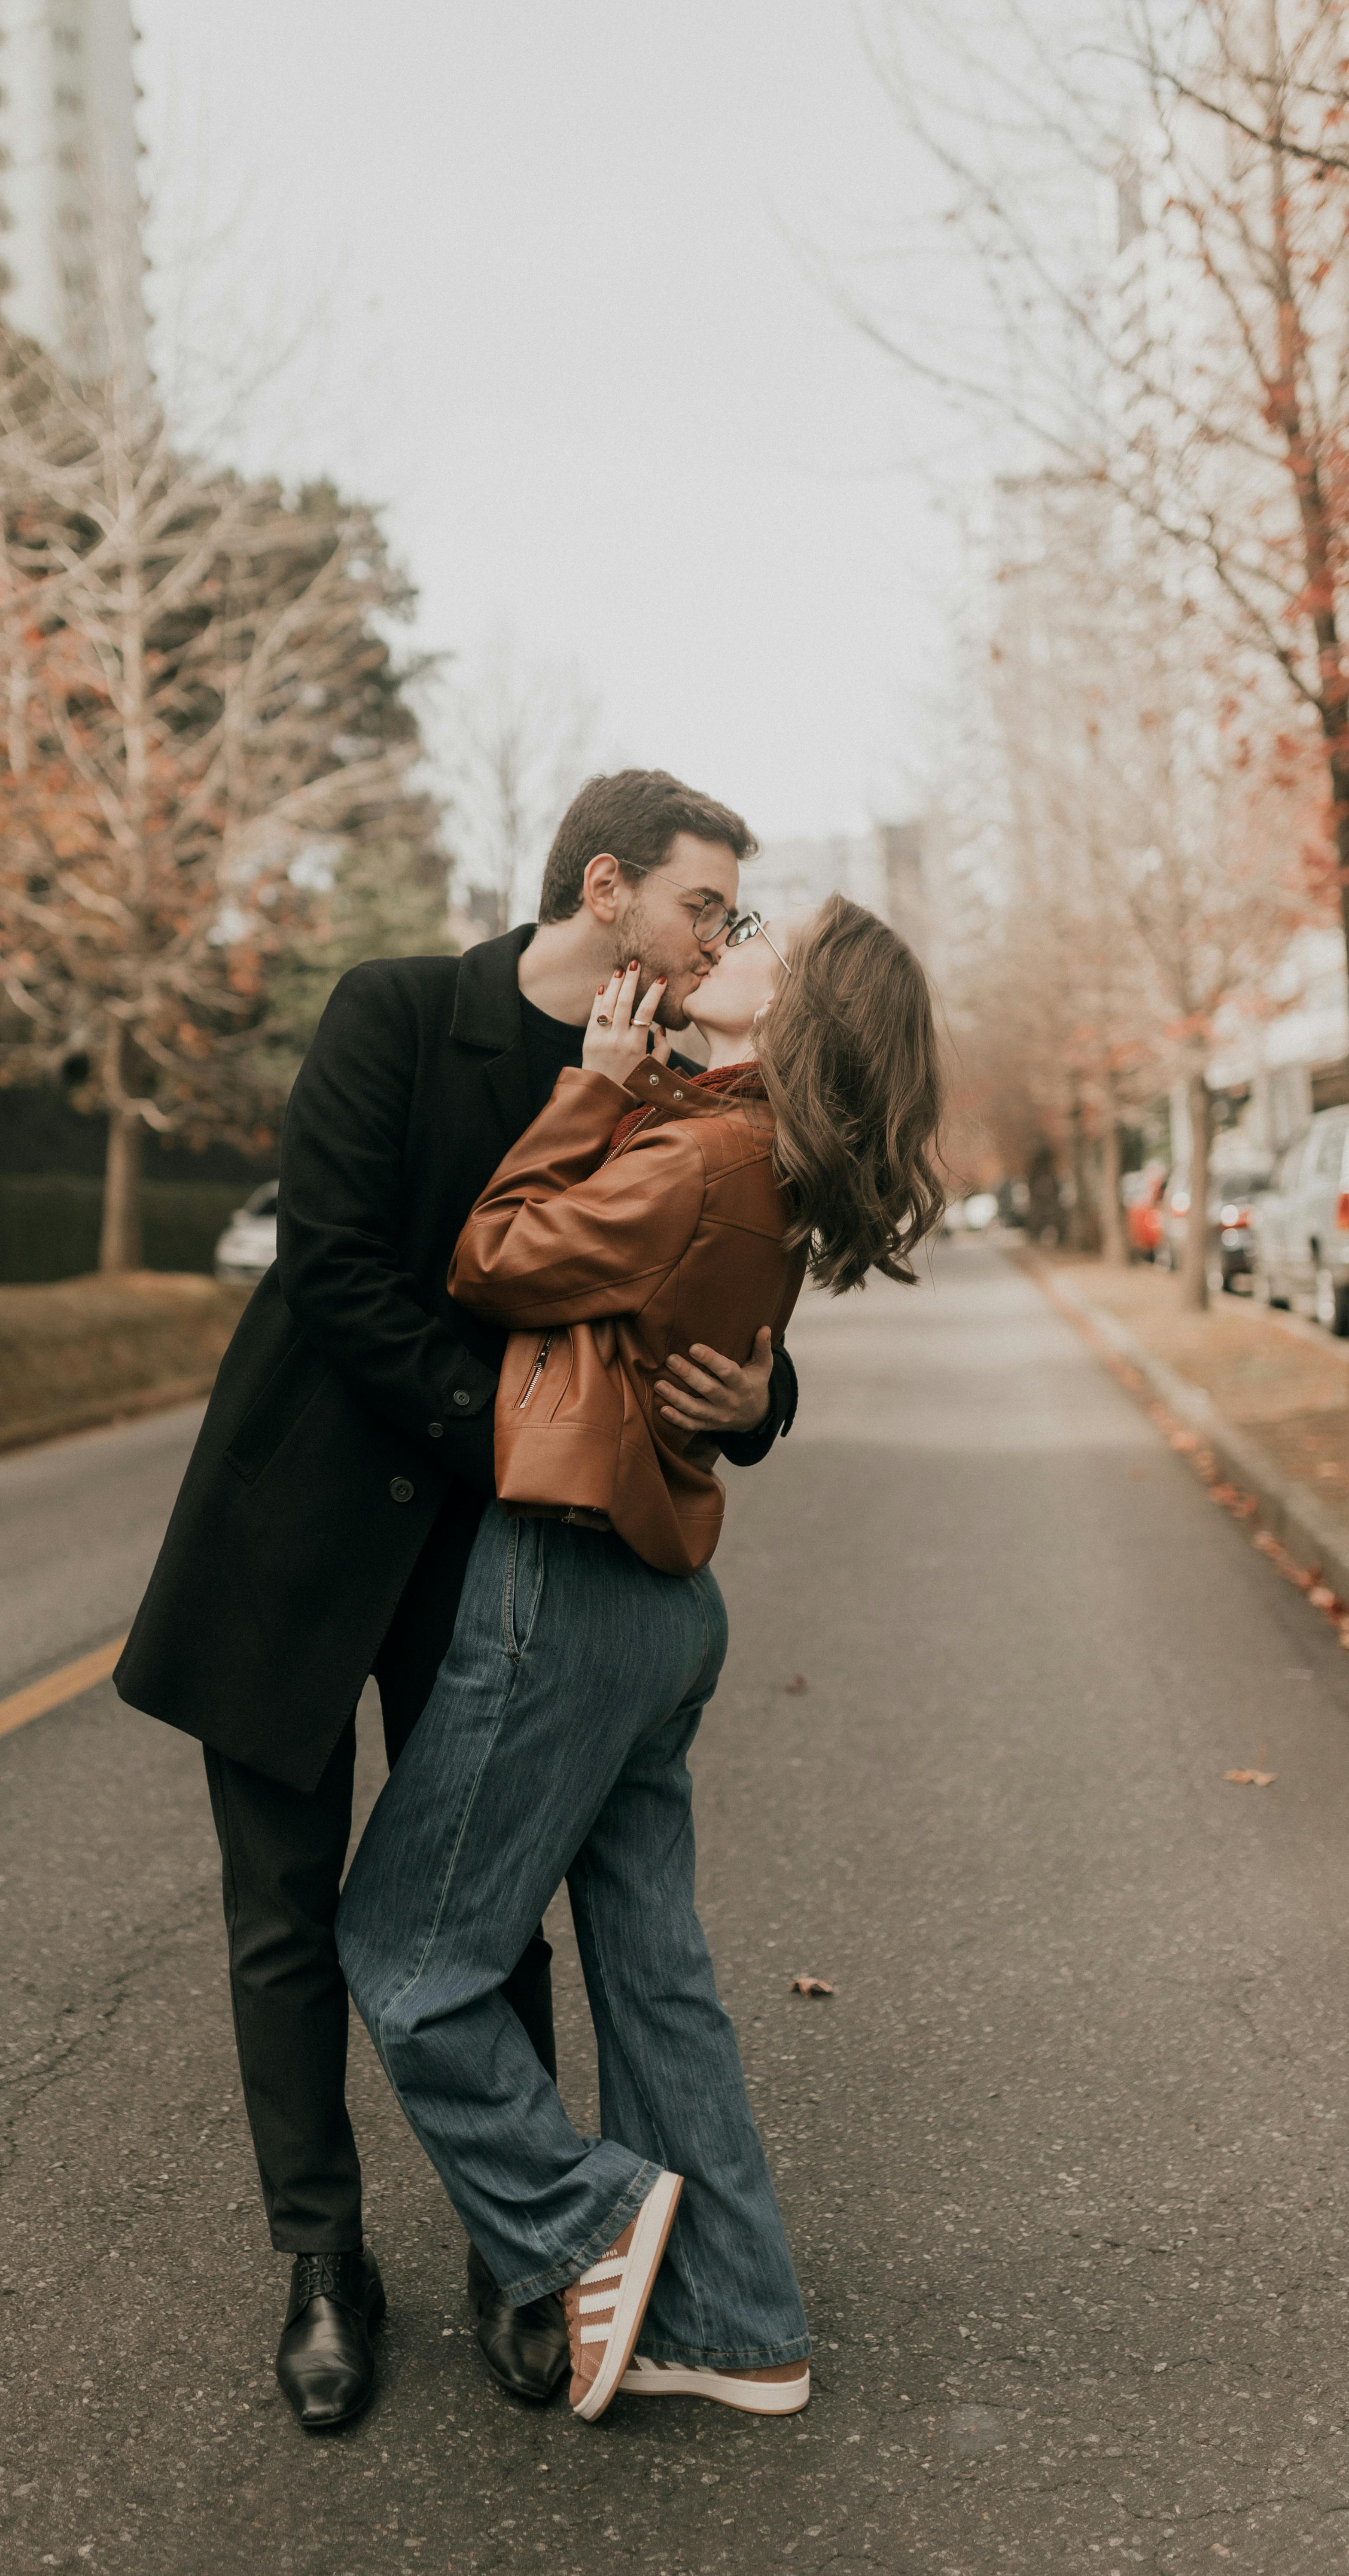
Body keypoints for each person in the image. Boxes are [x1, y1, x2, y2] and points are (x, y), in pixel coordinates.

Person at [114, 770, 804, 2428]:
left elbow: (703, 1278)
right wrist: (508, 1433)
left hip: (494, 1567)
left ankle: (529, 2254)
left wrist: (755, 1403)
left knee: (481, 1911)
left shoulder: (669, 1090)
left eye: (736, 915)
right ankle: (324, 2264)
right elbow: (336, 1264)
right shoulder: (399, 1012)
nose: (726, 936)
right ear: (606, 886)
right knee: (285, 1918)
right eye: (707, 903)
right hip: (297, 1527)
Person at [338, 895, 945, 2421]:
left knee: (405, 1956)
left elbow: (491, 1257)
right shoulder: (761, 1155)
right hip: (661, 1604)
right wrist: (643, 1080)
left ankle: (581, 2216)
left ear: (790, 1013)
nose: (720, 942)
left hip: (571, 1589)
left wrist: (593, 1087)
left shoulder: (696, 1156)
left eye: (754, 934)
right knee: (656, 1978)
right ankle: (741, 2327)